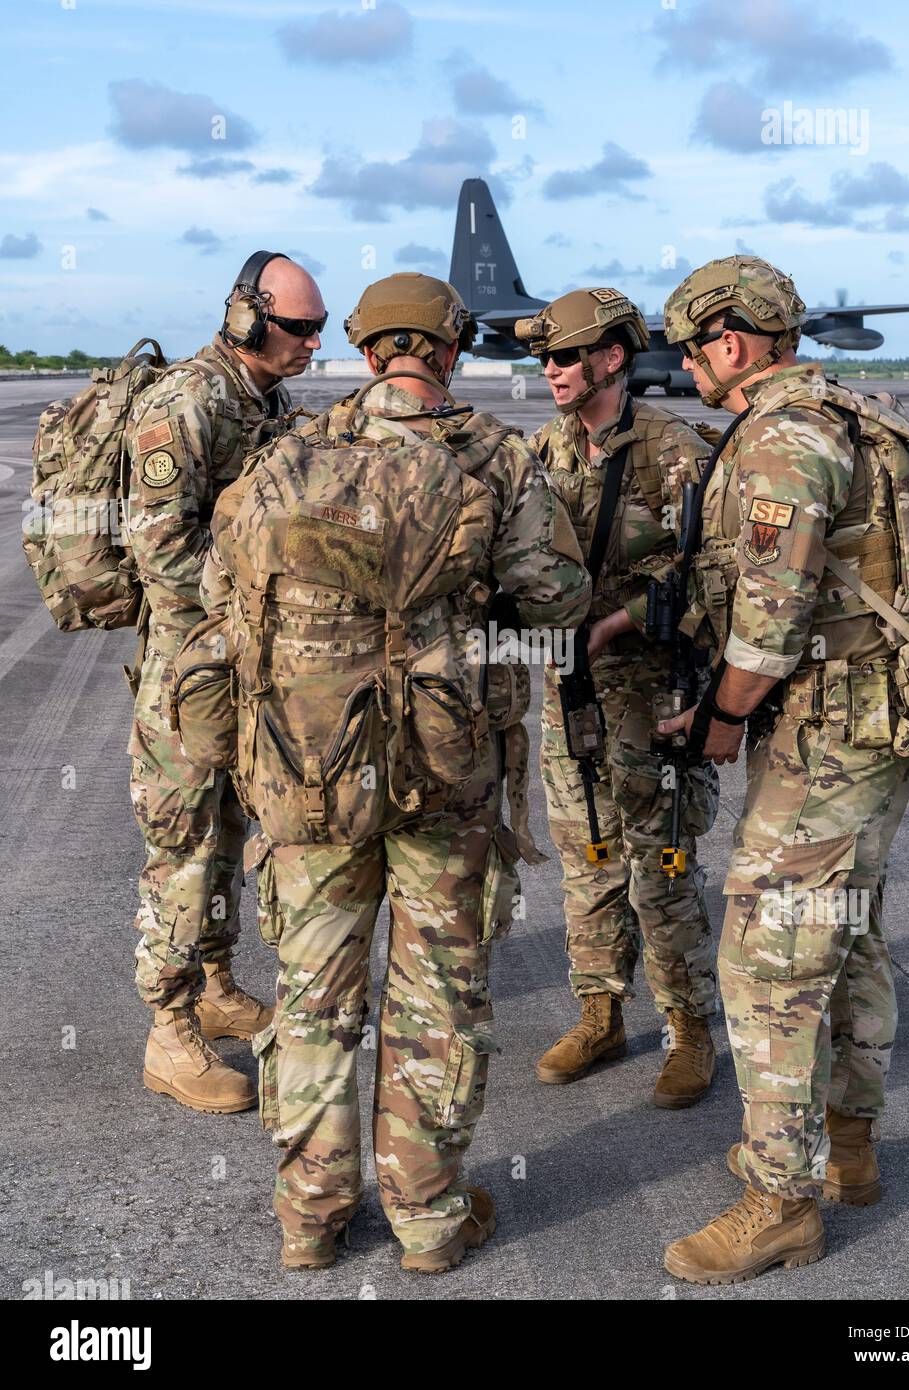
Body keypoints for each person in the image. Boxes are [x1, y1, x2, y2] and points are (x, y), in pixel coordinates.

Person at [200, 272, 591, 1271]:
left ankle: (310, 1219)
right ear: (450, 350)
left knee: (315, 997)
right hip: (445, 769)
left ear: (369, 352)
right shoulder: (496, 455)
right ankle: (426, 1216)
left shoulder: (295, 449)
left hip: (310, 764)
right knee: (437, 996)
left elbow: (221, 585)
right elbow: (551, 602)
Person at [595, 255, 909, 1283]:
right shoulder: (849, 415)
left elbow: (771, 624)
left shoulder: (779, 442)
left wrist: (722, 718)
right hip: (872, 722)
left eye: (691, 345)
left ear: (731, 342)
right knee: (851, 930)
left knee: (766, 958)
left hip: (826, 735)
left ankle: (783, 1198)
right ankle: (851, 1147)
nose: (684, 362)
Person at [127, 252, 326, 1113]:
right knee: (182, 846)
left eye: (320, 329)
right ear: (244, 317)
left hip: (242, 661)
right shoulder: (185, 403)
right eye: (298, 328)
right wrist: (259, 594)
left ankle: (213, 984)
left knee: (230, 826)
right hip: (188, 670)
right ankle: (168, 1034)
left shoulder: (267, 403)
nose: (312, 343)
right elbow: (160, 546)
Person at [517, 289, 720, 1107]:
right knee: (585, 855)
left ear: (611, 357)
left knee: (661, 865)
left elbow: (713, 575)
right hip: (570, 698)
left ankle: (689, 1029)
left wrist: (615, 624)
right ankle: (599, 1011)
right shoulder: (541, 449)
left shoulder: (674, 453)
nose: (552, 371)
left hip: (647, 692)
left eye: (566, 356)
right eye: (544, 359)